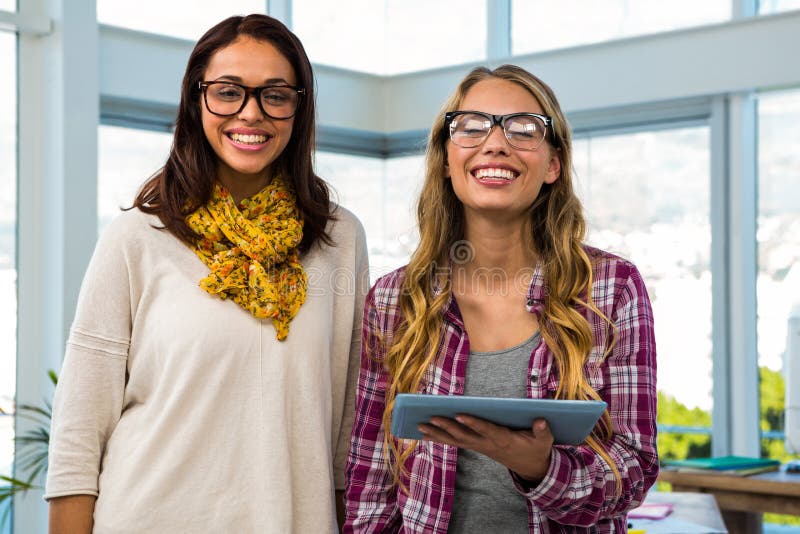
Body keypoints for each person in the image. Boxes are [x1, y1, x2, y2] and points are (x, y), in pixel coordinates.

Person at [45, 14, 368, 533]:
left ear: (298, 107)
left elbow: (345, 416)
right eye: (227, 91)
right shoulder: (137, 236)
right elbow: (81, 419)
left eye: (276, 95)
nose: (250, 113)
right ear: (196, 101)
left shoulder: (338, 238)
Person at [343, 64, 658, 533]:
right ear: (447, 161)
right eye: (471, 127)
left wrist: (541, 468)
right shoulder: (394, 299)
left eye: (523, 129)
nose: (495, 143)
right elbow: (370, 478)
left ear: (553, 164)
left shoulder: (611, 288)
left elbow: (634, 470)